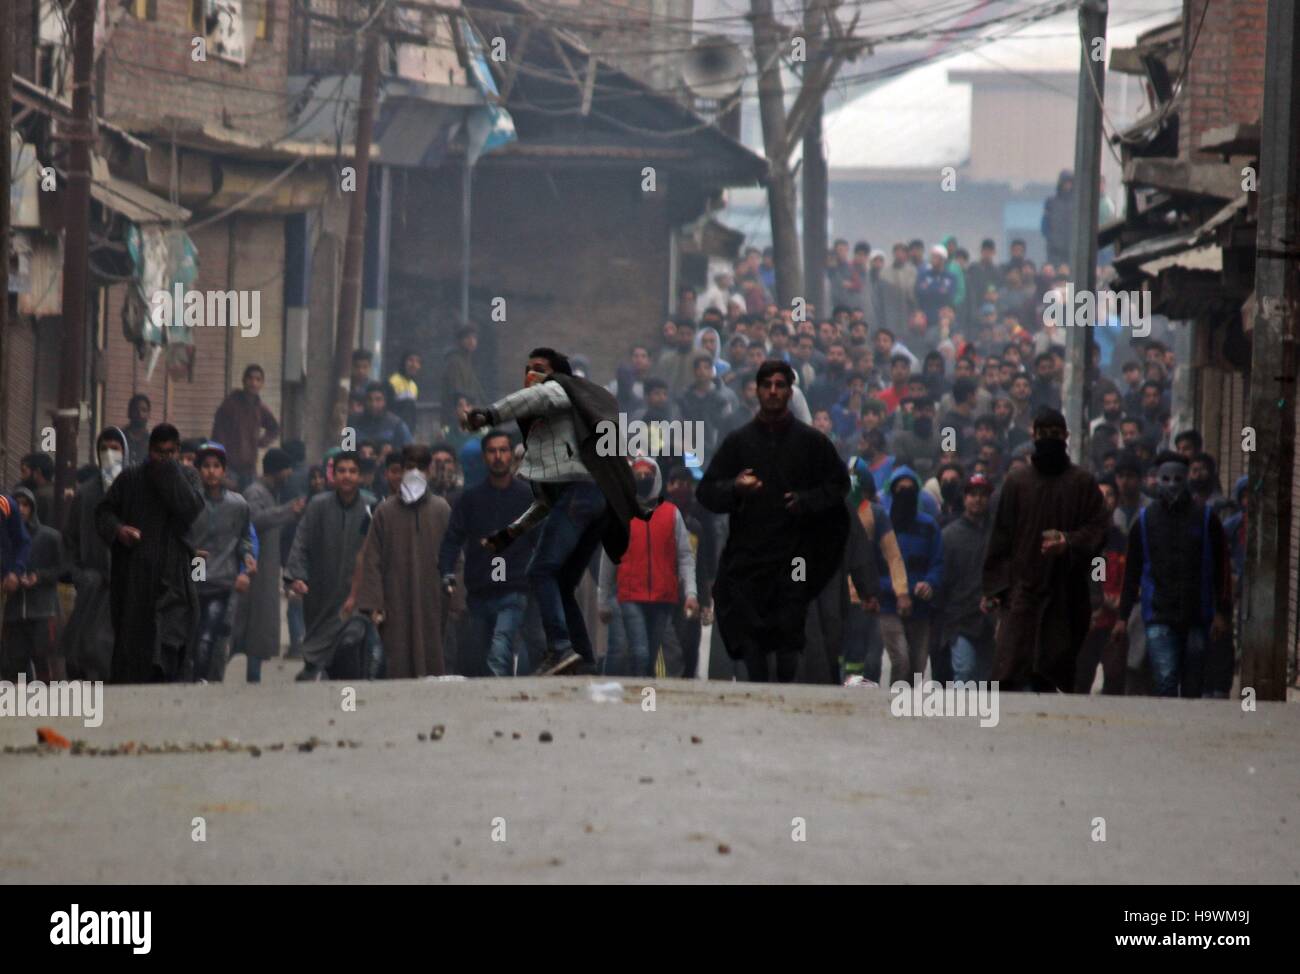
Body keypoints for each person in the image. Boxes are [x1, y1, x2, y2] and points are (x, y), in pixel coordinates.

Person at [460, 347, 646, 676]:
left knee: (539, 572)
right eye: (528, 368)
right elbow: (546, 502)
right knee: (560, 581)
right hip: (588, 501)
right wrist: (510, 533)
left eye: (540, 368)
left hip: (583, 494)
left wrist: (488, 415)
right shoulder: (543, 431)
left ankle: (559, 648)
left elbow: (535, 398)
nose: (532, 374)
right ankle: (582, 658)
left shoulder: (561, 390)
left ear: (558, 374)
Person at [696, 360, 850, 682]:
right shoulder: (739, 442)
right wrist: (735, 487)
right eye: (767, 385)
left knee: (789, 627)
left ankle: (784, 691)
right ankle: (758, 690)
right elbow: (707, 491)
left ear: (790, 391)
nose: (773, 391)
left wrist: (807, 501)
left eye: (780, 385)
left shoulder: (812, 443)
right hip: (750, 553)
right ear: (757, 390)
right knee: (749, 628)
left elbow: (838, 485)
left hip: (796, 555)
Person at [981, 407, 1110, 692]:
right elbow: (1001, 538)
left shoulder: (1082, 483)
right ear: (1033, 436)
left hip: (1065, 595)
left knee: (1052, 672)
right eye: (1043, 434)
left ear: (1066, 436)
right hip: (1022, 592)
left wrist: (1069, 542)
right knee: (1009, 672)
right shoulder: (1017, 482)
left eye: (1055, 434)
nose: (1049, 439)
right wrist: (995, 589)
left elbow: (1100, 529)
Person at [95, 423, 205, 683]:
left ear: (177, 451)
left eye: (169, 453)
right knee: (134, 641)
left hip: (173, 575)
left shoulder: (188, 478)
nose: (164, 458)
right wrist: (119, 530)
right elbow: (103, 513)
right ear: (149, 450)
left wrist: (169, 472)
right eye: (158, 453)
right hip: (135, 575)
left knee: (171, 637)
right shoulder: (130, 478)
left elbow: (190, 509)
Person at [1114, 455, 1232, 698]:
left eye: (1178, 478)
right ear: (1157, 480)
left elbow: (1222, 568)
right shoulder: (1146, 521)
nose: (1172, 484)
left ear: (1186, 478)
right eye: (1166, 479)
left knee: (1192, 682)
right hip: (1159, 614)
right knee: (1165, 679)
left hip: (1197, 615)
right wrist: (1122, 616)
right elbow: (1132, 572)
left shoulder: (1206, 518)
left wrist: (1221, 612)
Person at [438, 430, 537, 677]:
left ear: (510, 455)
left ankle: (500, 701)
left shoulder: (527, 497)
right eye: (492, 451)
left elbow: (541, 538)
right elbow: (452, 539)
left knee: (500, 647)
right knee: (479, 651)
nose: (498, 457)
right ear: (484, 457)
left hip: (514, 588)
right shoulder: (470, 500)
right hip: (480, 590)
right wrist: (447, 570)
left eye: (503, 450)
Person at [354, 444, 452, 678]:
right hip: (395, 599)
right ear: (401, 469)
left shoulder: (442, 510)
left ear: (428, 471)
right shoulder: (384, 512)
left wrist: (455, 599)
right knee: (397, 660)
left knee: (433, 659)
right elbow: (372, 560)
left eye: (420, 467)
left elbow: (454, 556)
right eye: (409, 467)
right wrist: (374, 604)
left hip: (432, 599)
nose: (415, 472)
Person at [597, 458, 697, 677]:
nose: (643, 478)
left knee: (649, 657)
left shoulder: (672, 514)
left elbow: (685, 557)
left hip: (663, 599)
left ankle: (642, 702)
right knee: (640, 653)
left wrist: (691, 593)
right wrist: (603, 598)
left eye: (647, 474)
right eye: (638, 474)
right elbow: (609, 558)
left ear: (656, 477)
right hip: (630, 596)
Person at [287, 453, 376, 681]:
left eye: (352, 471)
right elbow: (301, 542)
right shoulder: (318, 506)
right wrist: (296, 576)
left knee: (351, 640)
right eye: (342, 471)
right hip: (320, 595)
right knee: (321, 652)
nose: (347, 476)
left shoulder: (371, 506)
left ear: (360, 476)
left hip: (356, 595)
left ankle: (350, 696)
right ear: (333, 476)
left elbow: (379, 549)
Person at [187, 443, 257, 683]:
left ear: (224, 471)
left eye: (216, 466)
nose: (211, 471)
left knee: (210, 632)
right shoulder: (189, 503)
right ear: (198, 470)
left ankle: (202, 680)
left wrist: (247, 560)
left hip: (222, 582)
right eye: (206, 466)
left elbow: (245, 538)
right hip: (193, 581)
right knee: (194, 635)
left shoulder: (238, 505)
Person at [60, 427, 126, 680]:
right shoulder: (86, 494)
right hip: (94, 583)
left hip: (125, 582)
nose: (110, 454)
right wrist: (79, 574)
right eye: (104, 449)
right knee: (87, 641)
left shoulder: (135, 491)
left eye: (115, 448)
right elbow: (71, 539)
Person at [233, 447, 303, 681]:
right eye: (287, 471)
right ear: (277, 471)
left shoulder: (271, 493)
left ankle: (254, 677)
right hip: (253, 571)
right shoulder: (255, 492)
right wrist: (286, 511)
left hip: (265, 571)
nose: (289, 475)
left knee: (257, 630)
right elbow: (252, 520)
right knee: (246, 627)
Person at [876, 467, 944, 686]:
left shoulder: (928, 526)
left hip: (920, 607)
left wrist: (929, 583)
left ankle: (910, 711)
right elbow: (871, 570)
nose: (905, 492)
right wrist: (897, 591)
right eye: (900, 488)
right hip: (888, 606)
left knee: (917, 667)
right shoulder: (881, 527)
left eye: (910, 488)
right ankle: (893, 706)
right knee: (901, 660)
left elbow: (938, 562)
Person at [0, 488, 65, 680]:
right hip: (14, 612)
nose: (20, 509)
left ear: (33, 508)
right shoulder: (6, 538)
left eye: (25, 505)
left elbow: (64, 570)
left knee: (44, 661)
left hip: (42, 611)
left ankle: (51, 705)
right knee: (15, 666)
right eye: (17, 504)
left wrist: (39, 577)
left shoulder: (49, 537)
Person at [938, 474, 994, 683]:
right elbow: (942, 579)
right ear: (964, 498)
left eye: (982, 495)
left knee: (984, 678)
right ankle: (960, 714)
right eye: (972, 494)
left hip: (988, 620)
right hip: (959, 619)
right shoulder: (950, 535)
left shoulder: (996, 535)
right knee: (964, 670)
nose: (977, 499)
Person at [663, 463, 717, 679]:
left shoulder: (697, 523)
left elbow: (701, 564)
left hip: (690, 593)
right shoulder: (660, 516)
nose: (683, 489)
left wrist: (705, 600)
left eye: (687, 484)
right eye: (678, 484)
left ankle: (686, 681)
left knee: (690, 640)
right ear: (668, 486)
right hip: (665, 590)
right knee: (669, 643)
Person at [211, 364, 281, 487]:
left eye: (258, 380)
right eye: (250, 378)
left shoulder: (260, 408)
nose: (253, 383)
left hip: (249, 468)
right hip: (230, 467)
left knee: (248, 501)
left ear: (262, 384)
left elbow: (274, 428)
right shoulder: (230, 404)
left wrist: (262, 441)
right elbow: (218, 435)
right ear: (244, 380)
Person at [442, 326, 485, 427]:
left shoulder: (467, 362)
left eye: (474, 338)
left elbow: (478, 391)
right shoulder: (455, 361)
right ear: (460, 341)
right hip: (458, 417)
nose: (471, 341)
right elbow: (457, 392)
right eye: (468, 338)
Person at [352, 382, 413, 454]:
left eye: (378, 400)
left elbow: (409, 452)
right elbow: (345, 453)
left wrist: (392, 452)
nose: (373, 404)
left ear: (384, 402)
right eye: (369, 399)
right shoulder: (353, 423)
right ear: (365, 401)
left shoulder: (397, 425)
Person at [1042, 170, 1075, 265]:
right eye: (1065, 183)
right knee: (1056, 275)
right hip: (1055, 250)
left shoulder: (1077, 203)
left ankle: (1070, 281)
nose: (1068, 185)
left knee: (1071, 276)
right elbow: (1044, 226)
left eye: (1070, 183)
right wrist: (1051, 238)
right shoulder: (1051, 202)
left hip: (1072, 249)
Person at [16, 453, 55, 527]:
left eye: (24, 471)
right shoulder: (56, 490)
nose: (21, 477)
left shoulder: (38, 496)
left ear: (37, 472)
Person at [387, 350, 422, 432]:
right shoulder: (392, 382)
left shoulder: (414, 386)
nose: (414, 365)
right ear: (403, 362)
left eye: (417, 362)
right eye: (410, 360)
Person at [123, 394, 152, 466]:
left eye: (144, 410)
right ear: (129, 413)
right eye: (136, 410)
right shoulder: (119, 438)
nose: (140, 414)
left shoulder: (153, 442)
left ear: (149, 415)